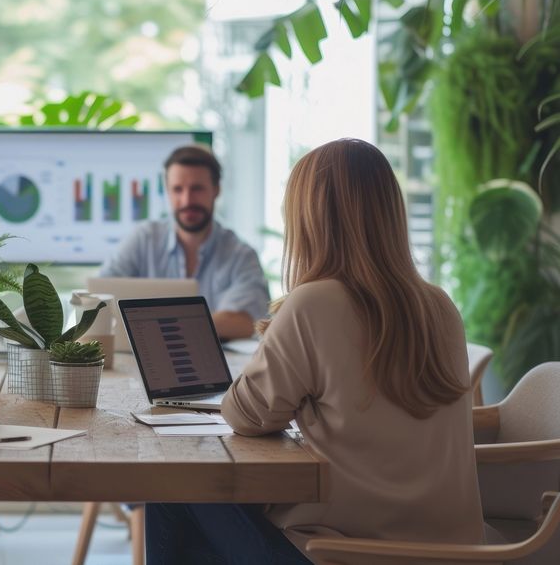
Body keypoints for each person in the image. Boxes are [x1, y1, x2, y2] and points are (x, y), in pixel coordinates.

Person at [145, 139, 484, 564]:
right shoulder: (440, 305)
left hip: (342, 552)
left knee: (172, 483)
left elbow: (243, 415)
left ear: (311, 218)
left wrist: (277, 337)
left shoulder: (314, 303)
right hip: (454, 553)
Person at [98, 144, 269, 339]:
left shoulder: (241, 255)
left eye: (197, 189)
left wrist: (159, 325)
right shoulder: (143, 240)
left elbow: (246, 322)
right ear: (168, 192)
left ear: (216, 190)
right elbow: (99, 299)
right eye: (177, 189)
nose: (187, 200)